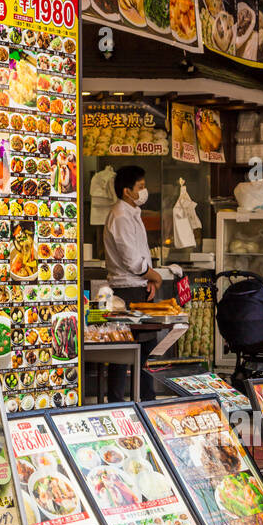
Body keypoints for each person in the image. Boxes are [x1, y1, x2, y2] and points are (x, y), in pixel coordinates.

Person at [103, 165, 164, 403]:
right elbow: (131, 260)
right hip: (126, 291)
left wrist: (149, 279)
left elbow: (140, 256)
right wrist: (154, 275)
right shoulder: (120, 216)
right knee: (122, 352)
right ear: (127, 191)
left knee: (144, 350)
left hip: (138, 287)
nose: (144, 191)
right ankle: (118, 402)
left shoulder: (132, 213)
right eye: (141, 187)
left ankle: (146, 400)